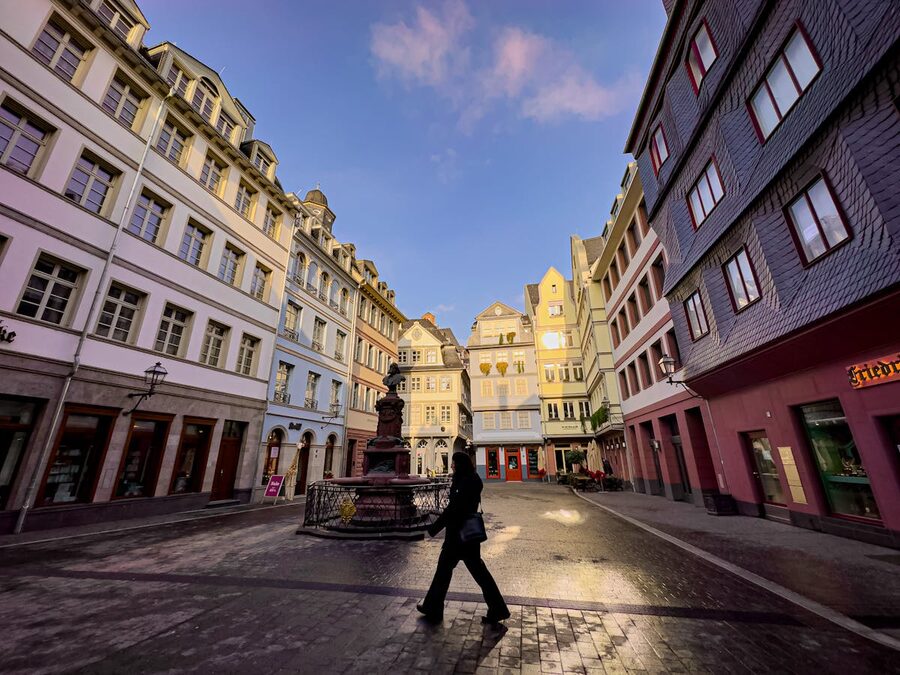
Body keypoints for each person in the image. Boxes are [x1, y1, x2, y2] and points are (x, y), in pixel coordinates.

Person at [417, 451, 510, 624]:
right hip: (466, 537)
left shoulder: (465, 481)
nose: (451, 465)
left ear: (460, 464)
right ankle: (497, 609)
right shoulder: (470, 479)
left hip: (460, 537)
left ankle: (434, 607)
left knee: (454, 572)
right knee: (462, 572)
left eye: (453, 463)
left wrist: (433, 529)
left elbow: (454, 509)